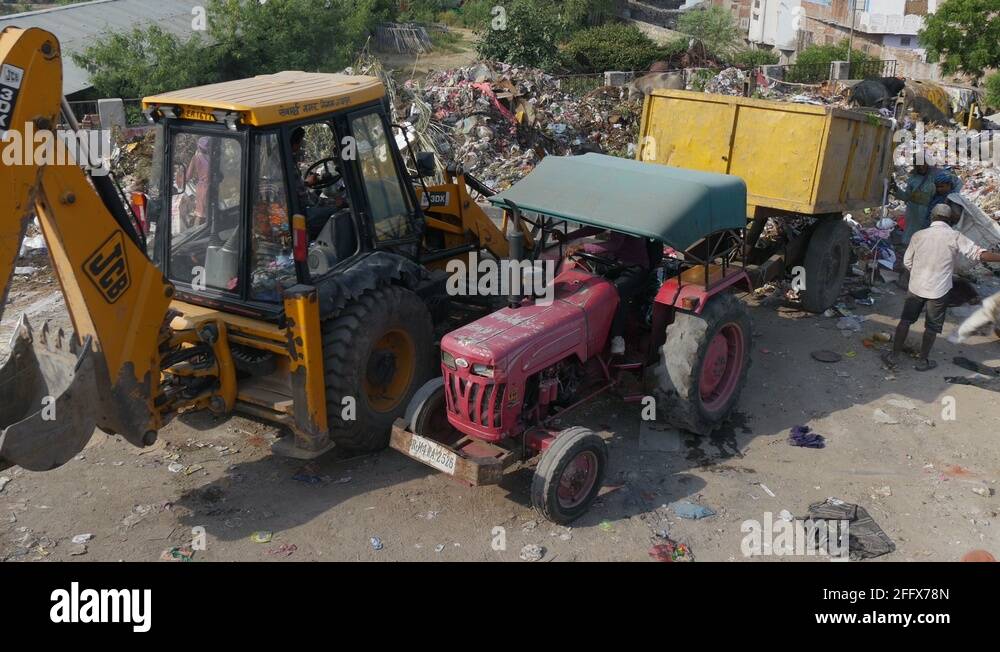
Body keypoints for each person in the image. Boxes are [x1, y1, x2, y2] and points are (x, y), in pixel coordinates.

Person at [882, 203, 1000, 371]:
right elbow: (979, 254)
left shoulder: (919, 235)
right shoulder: (955, 236)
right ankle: (923, 361)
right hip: (939, 290)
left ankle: (894, 356)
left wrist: (918, 274)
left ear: (932, 217)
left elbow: (907, 262)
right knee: (931, 327)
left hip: (916, 287)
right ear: (950, 219)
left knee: (905, 321)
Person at [564, 229, 650, 355]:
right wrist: (568, 236)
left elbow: (615, 244)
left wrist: (583, 247)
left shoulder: (627, 216)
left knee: (615, 291)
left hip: (634, 267)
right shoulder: (613, 214)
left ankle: (617, 338)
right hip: (615, 263)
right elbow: (595, 227)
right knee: (588, 285)